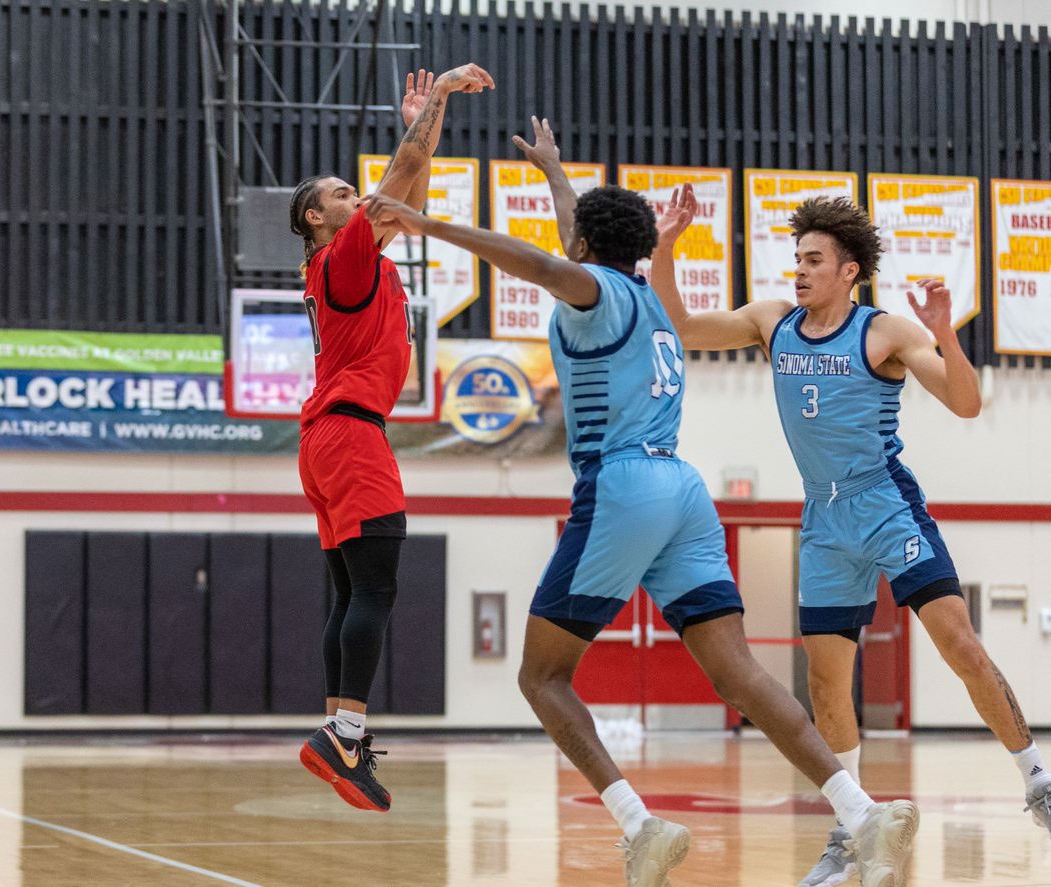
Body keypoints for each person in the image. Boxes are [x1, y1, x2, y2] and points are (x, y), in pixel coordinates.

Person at [365, 118, 919, 887]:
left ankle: (640, 822)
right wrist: (557, 174)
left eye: (574, 243)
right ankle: (861, 810)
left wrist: (425, 221)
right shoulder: (646, 298)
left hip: (619, 483)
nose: (568, 249)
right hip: (682, 490)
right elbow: (574, 236)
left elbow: (535, 259)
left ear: (586, 253)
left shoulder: (591, 290)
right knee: (741, 674)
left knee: (541, 676)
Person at [649, 186, 1051, 885]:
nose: (797, 270)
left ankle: (1038, 780)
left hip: (885, 505)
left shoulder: (885, 331)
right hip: (824, 521)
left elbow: (966, 401)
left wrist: (945, 331)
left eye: (813, 259)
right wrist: (667, 245)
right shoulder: (771, 320)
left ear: (848, 271)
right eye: (795, 257)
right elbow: (681, 326)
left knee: (960, 643)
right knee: (828, 684)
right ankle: (853, 827)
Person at [288, 64, 494, 813]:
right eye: (342, 193)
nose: (360, 196)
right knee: (375, 585)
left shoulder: (351, 258)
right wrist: (437, 95)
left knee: (351, 589)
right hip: (349, 434)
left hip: (326, 438)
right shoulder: (343, 255)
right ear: (317, 219)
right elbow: (403, 173)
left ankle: (340, 732)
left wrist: (423, 125)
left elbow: (411, 181)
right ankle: (343, 732)